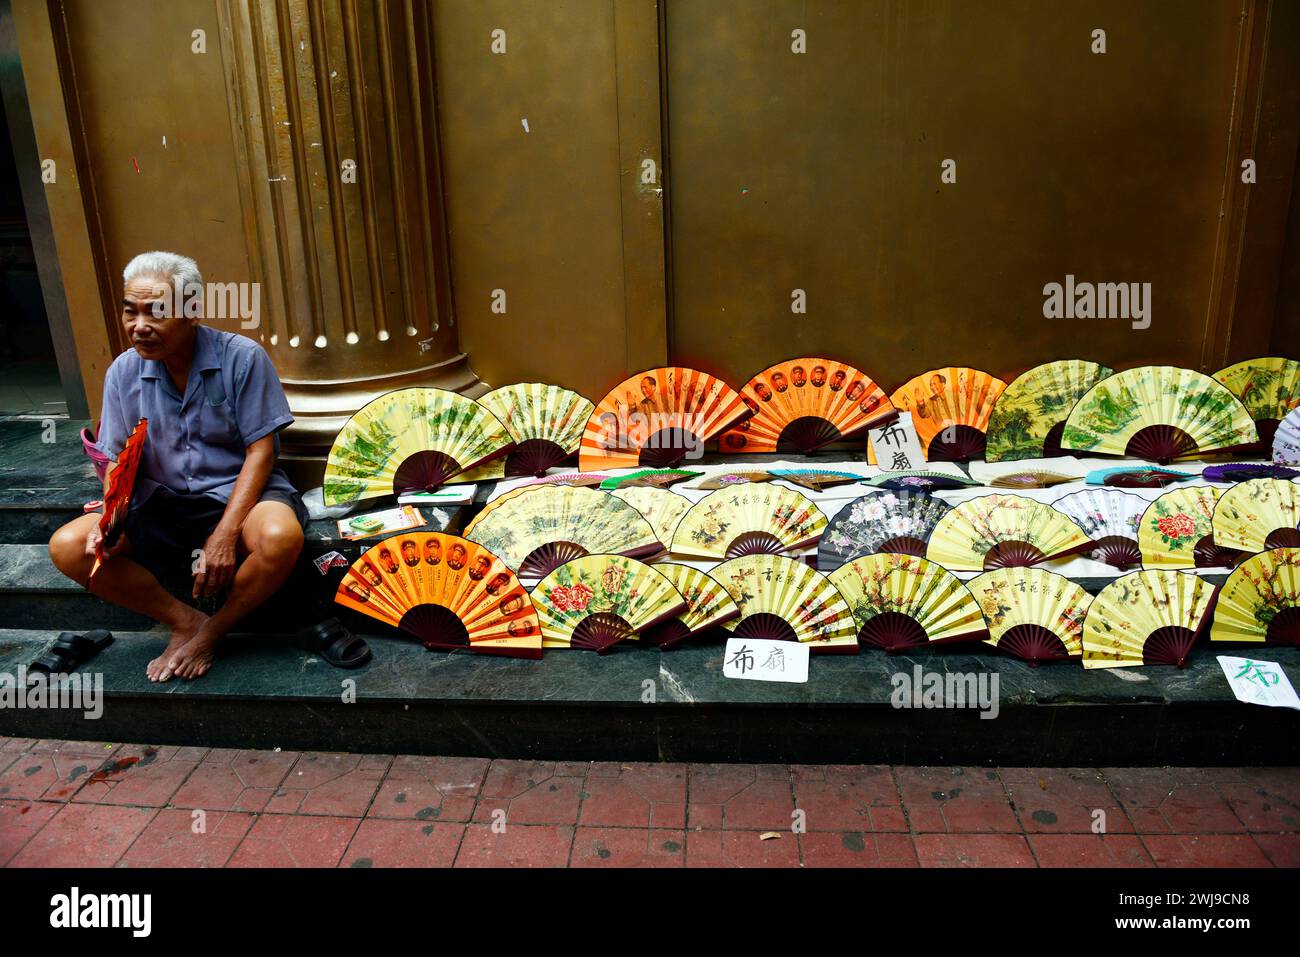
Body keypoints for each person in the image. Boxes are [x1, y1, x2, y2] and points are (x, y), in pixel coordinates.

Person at [48, 251, 308, 681]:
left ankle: (214, 631)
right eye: (131, 311)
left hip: (237, 493)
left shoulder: (242, 357)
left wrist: (224, 534)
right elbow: (117, 460)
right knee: (68, 546)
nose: (139, 326)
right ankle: (186, 621)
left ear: (192, 312)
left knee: (281, 538)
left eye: (157, 313)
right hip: (161, 501)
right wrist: (111, 520)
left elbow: (262, 452)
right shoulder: (123, 373)